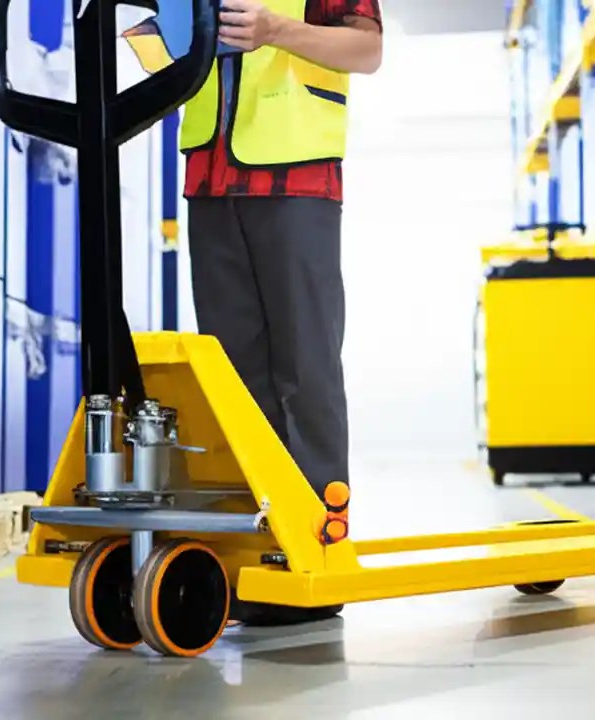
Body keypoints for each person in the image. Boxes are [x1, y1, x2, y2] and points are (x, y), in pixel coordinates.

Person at [179, 0, 383, 626]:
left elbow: (367, 50)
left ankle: (315, 556)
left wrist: (277, 31)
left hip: (296, 178)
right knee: (235, 382)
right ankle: (256, 558)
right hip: (210, 177)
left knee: (306, 369)